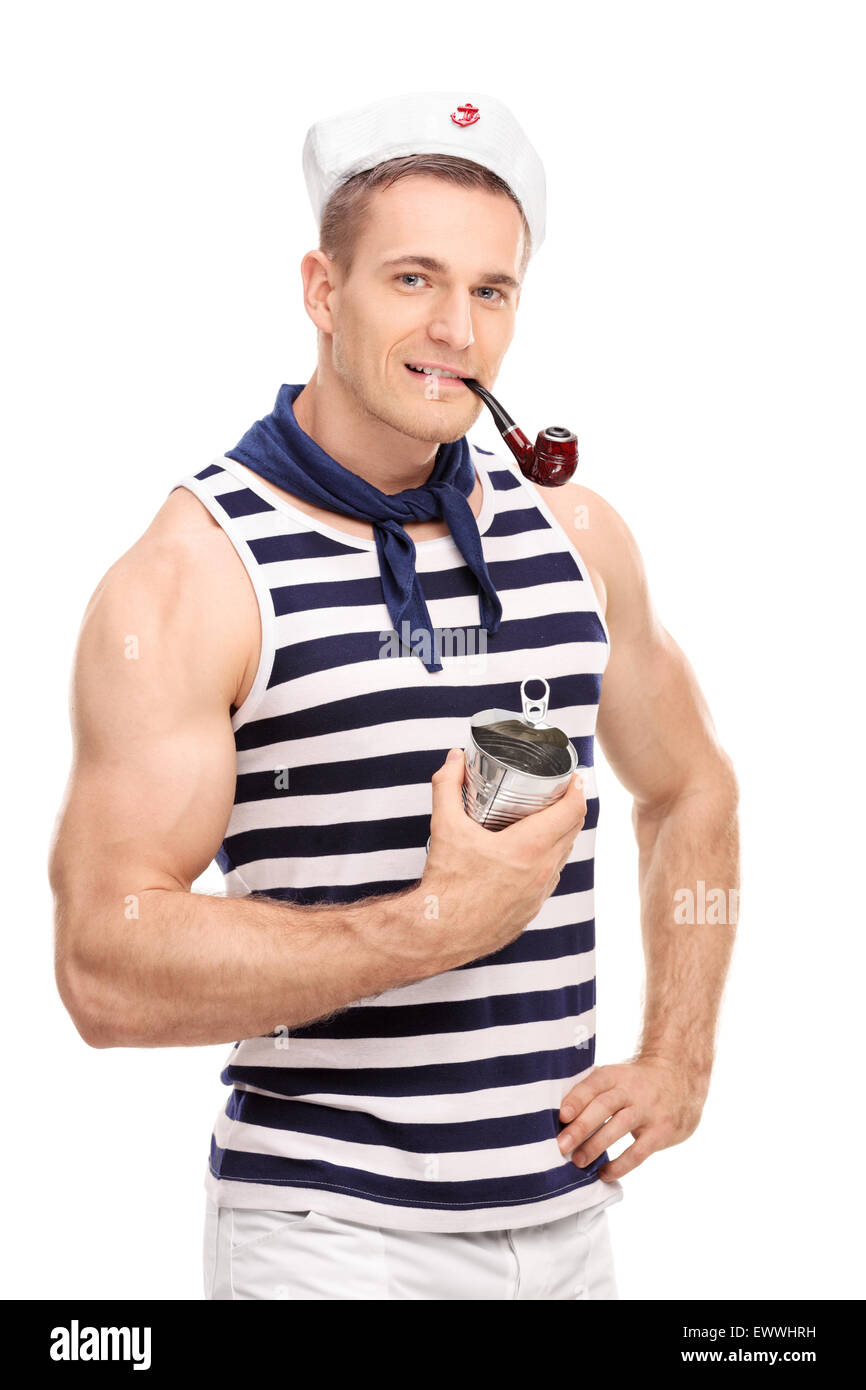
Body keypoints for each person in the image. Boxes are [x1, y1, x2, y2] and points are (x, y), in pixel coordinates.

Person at [48, 91, 740, 1301]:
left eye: (489, 289)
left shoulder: (575, 533)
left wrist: (678, 1053)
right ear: (323, 290)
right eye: (411, 279)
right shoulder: (196, 573)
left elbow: (691, 787)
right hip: (329, 1237)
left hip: (569, 1223)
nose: (454, 330)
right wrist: (430, 923)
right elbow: (105, 963)